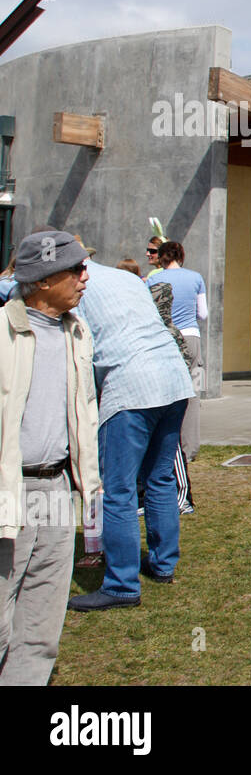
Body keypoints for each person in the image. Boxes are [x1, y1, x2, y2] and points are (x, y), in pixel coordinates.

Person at [0, 231, 101, 684]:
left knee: (42, 618)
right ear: (41, 280)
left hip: (57, 487)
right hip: (10, 491)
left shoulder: (77, 331)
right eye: (75, 269)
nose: (85, 277)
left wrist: (88, 488)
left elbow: (85, 413)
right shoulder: (4, 333)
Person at [67, 257, 194, 612]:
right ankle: (164, 563)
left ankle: (121, 584)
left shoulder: (76, 286)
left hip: (131, 387)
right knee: (160, 477)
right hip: (173, 379)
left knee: (119, 489)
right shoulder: (124, 278)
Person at [149, 241, 207, 465]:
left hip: (165, 337)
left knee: (164, 392)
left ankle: (165, 446)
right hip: (191, 338)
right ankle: (190, 448)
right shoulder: (195, 277)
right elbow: (203, 313)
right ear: (181, 255)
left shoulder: (154, 279)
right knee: (193, 393)